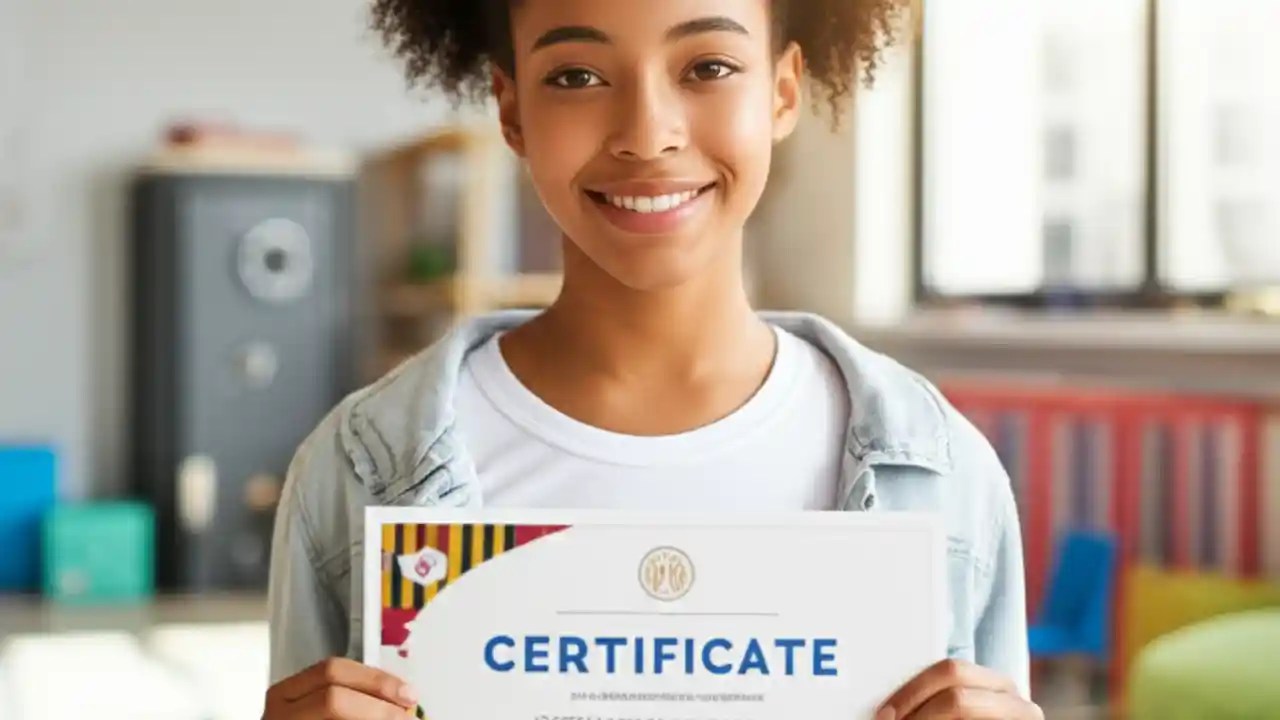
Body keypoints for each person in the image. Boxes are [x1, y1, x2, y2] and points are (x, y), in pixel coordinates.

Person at [261, 1, 1043, 718]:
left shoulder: (942, 475)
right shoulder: (356, 470)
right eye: (576, 76)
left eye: (708, 68)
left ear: (781, 92)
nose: (647, 131)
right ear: (512, 109)